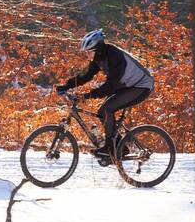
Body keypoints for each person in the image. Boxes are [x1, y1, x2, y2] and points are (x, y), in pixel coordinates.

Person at [56, 29, 154, 165]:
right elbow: (85, 76)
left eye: (89, 52)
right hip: (127, 86)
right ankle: (121, 148)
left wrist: (87, 95)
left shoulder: (115, 57)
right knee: (102, 112)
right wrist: (66, 86)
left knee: (107, 110)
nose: (87, 56)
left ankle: (109, 148)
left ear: (97, 48)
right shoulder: (99, 57)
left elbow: (110, 86)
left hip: (141, 86)